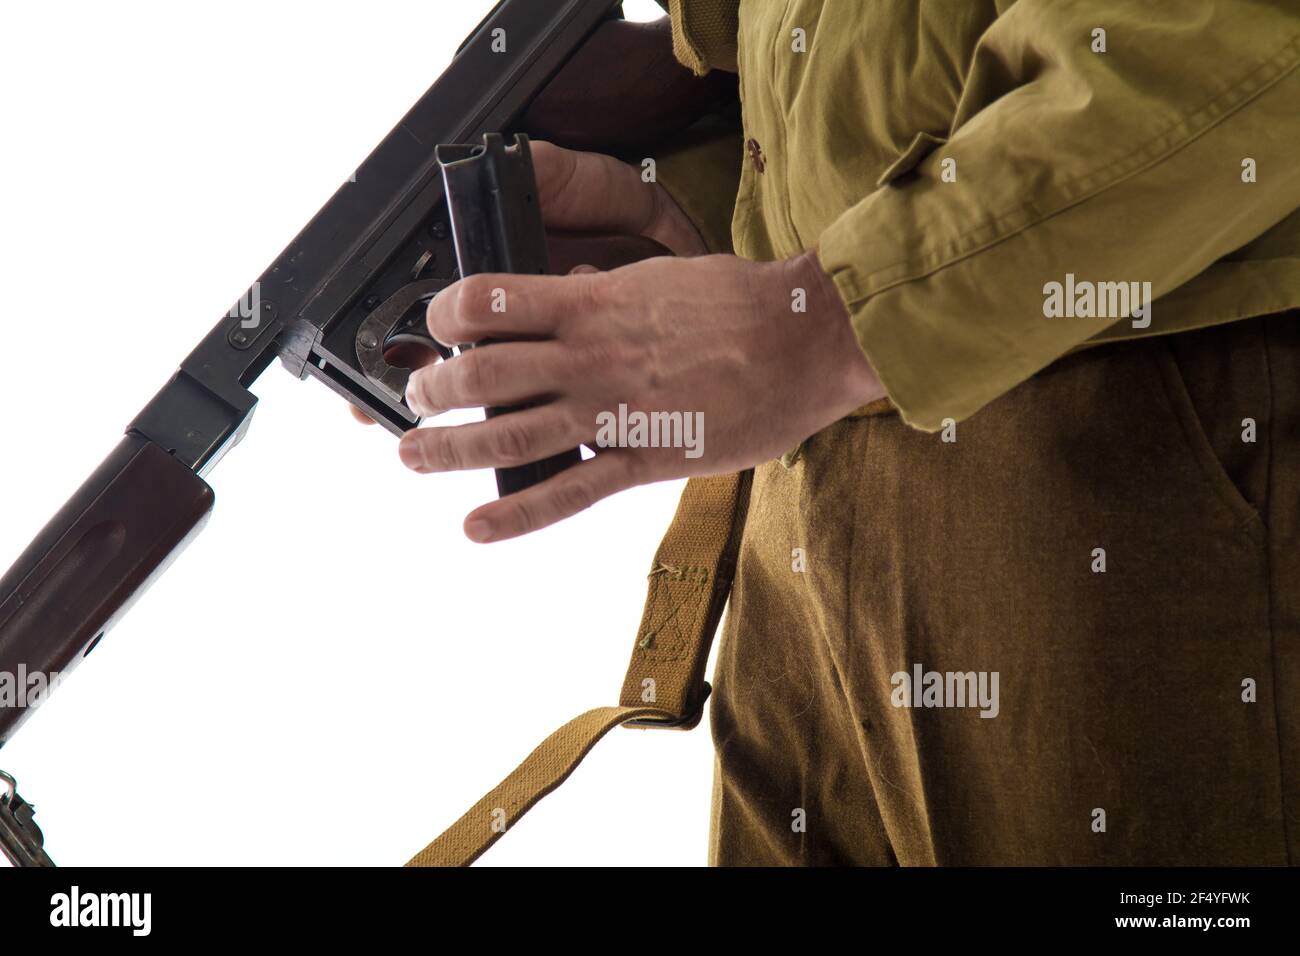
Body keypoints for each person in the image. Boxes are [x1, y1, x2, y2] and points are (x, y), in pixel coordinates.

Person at [365, 1, 1300, 864]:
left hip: (1120, 451)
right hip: (804, 511)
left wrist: (819, 320)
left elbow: (1245, 41)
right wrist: (687, 218)